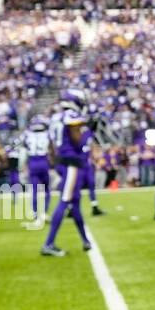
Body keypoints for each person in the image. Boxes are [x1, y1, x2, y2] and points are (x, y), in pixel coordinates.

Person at [40, 110, 94, 257]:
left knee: (75, 204)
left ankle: (85, 240)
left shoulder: (58, 117)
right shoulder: (70, 118)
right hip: (71, 164)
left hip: (67, 162)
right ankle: (48, 243)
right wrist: (88, 131)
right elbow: (77, 137)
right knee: (64, 201)